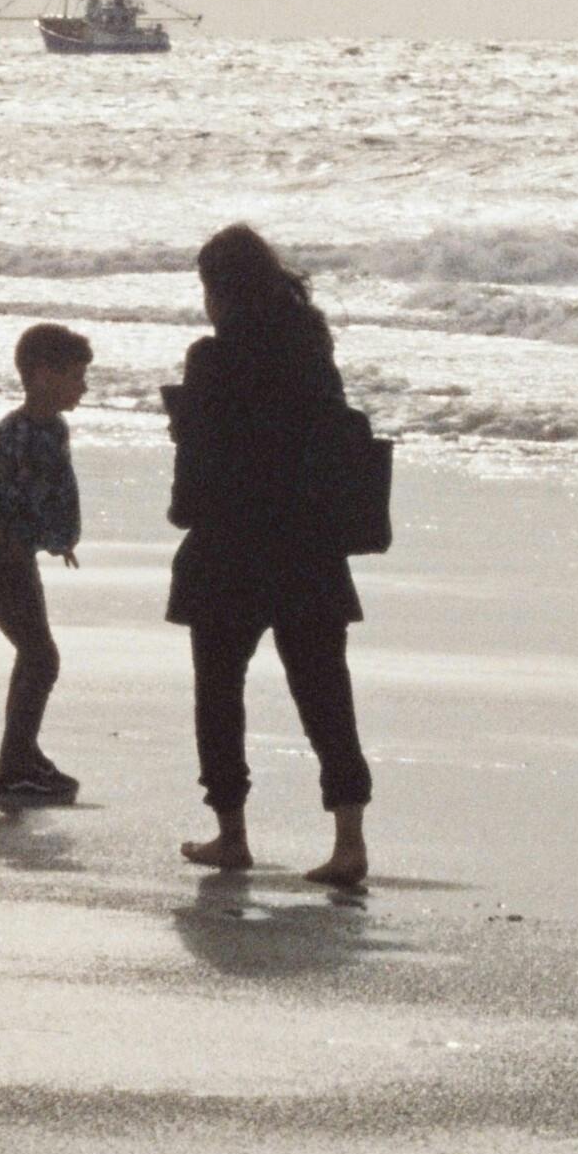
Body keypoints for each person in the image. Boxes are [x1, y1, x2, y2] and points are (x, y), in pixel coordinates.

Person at [165, 224, 372, 894]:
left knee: (220, 695)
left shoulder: (212, 360)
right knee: (325, 695)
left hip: (231, 547)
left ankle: (232, 836)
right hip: (309, 546)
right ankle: (349, 841)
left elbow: (200, 457)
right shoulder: (313, 349)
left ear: (220, 290)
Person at [0, 321, 93, 805]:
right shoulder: (16, 432)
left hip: (17, 556)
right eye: (75, 376)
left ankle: (22, 757)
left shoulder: (53, 428)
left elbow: (45, 487)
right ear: (43, 375)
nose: (83, 387)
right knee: (40, 656)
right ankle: (14, 766)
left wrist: (57, 538)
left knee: (36, 654)